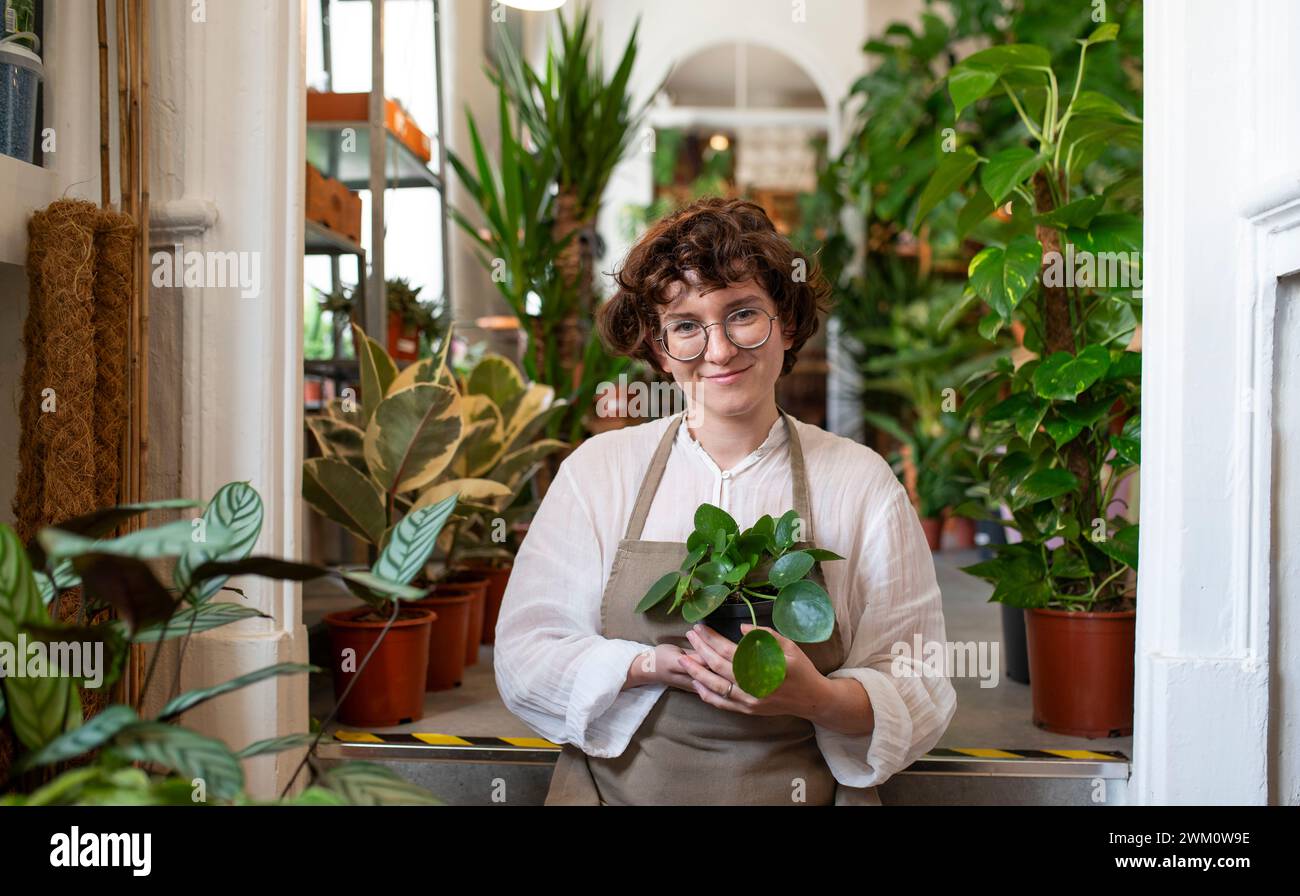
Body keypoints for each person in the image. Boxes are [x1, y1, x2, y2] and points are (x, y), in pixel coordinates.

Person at [494, 197, 956, 805]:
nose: (718, 350)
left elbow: (920, 682)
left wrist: (815, 698)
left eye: (742, 315)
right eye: (686, 325)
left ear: (786, 324)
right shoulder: (596, 473)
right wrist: (646, 666)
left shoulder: (862, 483)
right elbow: (525, 656)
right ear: (659, 349)